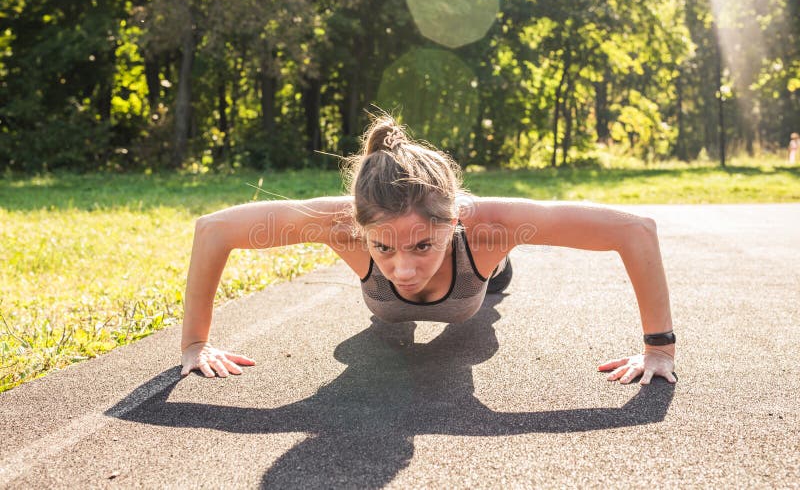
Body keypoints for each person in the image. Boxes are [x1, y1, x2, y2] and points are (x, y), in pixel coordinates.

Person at [180, 113, 676, 385]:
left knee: (492, 285)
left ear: (454, 219)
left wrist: (659, 349)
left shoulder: (487, 227)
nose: (403, 267)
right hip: (387, 308)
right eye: (384, 246)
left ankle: (494, 270)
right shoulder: (339, 225)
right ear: (360, 228)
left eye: (422, 245)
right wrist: (195, 345)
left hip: (477, 277)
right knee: (388, 310)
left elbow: (635, 231)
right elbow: (213, 230)